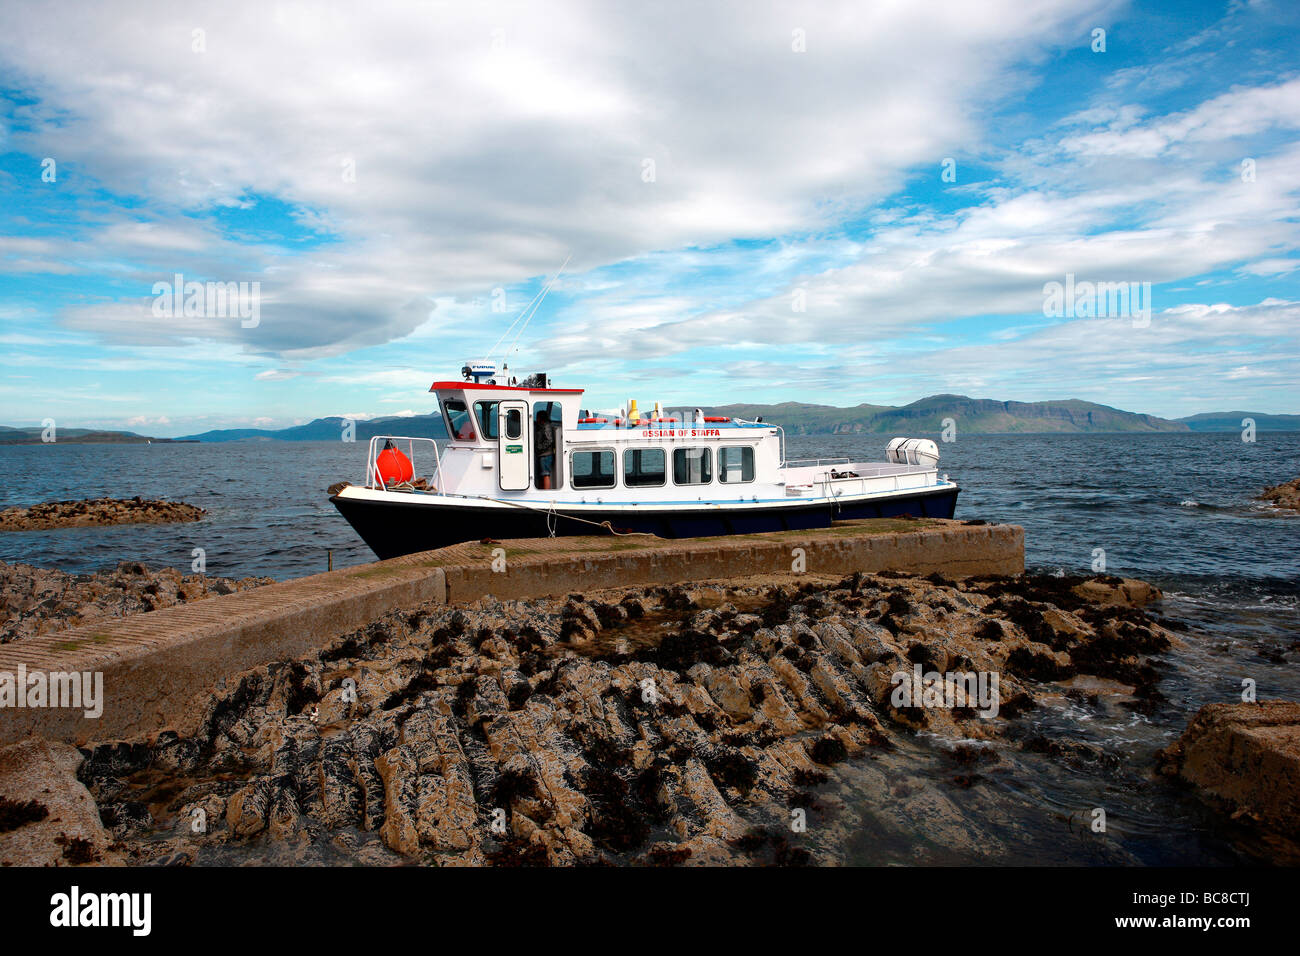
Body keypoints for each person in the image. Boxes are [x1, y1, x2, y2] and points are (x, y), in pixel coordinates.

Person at [535, 406, 558, 489]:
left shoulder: (546, 426)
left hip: (546, 454)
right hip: (544, 454)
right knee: (543, 474)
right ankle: (542, 490)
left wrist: (540, 447)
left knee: (545, 474)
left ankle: (546, 492)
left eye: (537, 417)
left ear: (541, 418)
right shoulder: (543, 426)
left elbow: (549, 440)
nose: (536, 419)